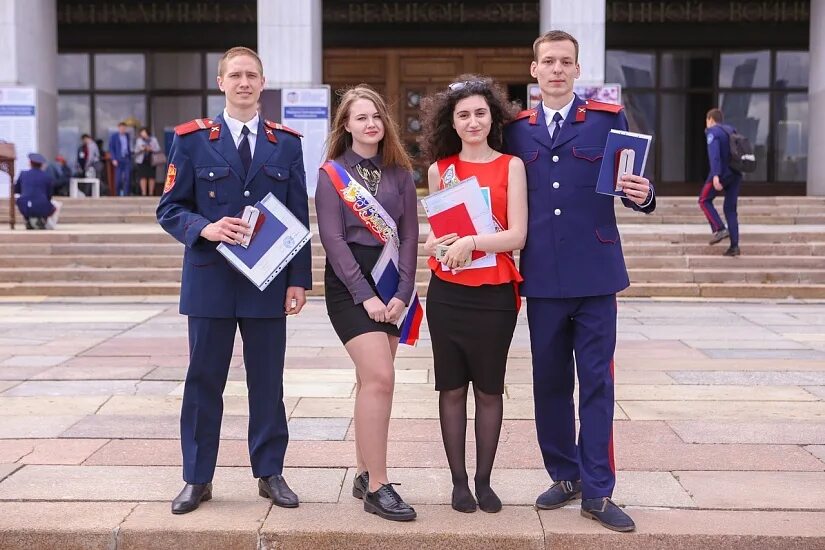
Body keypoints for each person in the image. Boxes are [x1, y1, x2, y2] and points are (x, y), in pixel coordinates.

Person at [502, 30, 656, 533]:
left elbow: (630, 187)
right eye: (548, 62)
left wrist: (644, 194)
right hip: (541, 275)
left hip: (595, 275)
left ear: (576, 69)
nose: (556, 70)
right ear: (534, 71)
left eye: (565, 62)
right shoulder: (515, 131)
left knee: (597, 384)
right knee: (549, 384)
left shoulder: (607, 121)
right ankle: (563, 474)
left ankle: (598, 489)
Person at [156, 46, 311, 515]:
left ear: (263, 83)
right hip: (210, 282)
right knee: (204, 382)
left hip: (267, 282)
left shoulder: (285, 142)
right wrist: (206, 227)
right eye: (235, 75)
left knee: (268, 383)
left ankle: (270, 473)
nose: (244, 82)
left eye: (252, 75)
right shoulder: (192, 140)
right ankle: (197, 479)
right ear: (221, 83)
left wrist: (297, 280)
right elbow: (169, 208)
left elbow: (298, 216)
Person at [418, 76, 527, 514]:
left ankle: (484, 481)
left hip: (495, 293)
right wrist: (435, 243)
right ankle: (458, 482)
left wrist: (474, 243)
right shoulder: (439, 170)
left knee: (488, 389)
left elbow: (518, 234)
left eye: (480, 112)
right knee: (450, 388)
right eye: (463, 114)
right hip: (448, 294)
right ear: (452, 121)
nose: (473, 121)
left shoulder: (511, 166)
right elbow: (440, 230)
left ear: (493, 117)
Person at [315, 85, 418, 522]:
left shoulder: (400, 173)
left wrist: (401, 293)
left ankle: (362, 473)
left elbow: (411, 233)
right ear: (346, 125)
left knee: (370, 382)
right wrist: (367, 298)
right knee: (381, 377)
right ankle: (379, 486)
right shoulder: (331, 173)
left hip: (391, 277)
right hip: (349, 283)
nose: (370, 124)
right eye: (360, 118)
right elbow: (333, 241)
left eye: (376, 116)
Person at [699, 108, 742, 257]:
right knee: (730, 209)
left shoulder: (713, 132)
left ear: (710, 119)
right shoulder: (731, 130)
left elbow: (715, 155)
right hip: (736, 173)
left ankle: (719, 228)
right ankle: (735, 246)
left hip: (721, 173)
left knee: (704, 200)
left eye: (706, 120)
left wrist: (716, 175)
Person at [15, 153, 56, 229]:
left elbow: (16, 190)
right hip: (43, 207)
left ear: (30, 163)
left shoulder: (23, 174)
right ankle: (44, 221)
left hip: (25, 207)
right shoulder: (47, 176)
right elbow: (49, 195)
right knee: (55, 205)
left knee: (20, 200)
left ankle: (27, 220)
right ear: (41, 165)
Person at [134, 127, 161, 196]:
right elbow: (136, 149)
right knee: (143, 176)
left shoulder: (153, 139)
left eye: (144, 132)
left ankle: (151, 192)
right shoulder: (139, 140)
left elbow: (158, 148)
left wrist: (151, 149)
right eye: (141, 132)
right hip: (142, 161)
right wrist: (144, 148)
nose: (142, 134)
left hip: (151, 160)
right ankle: (144, 192)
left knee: (151, 177)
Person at [108, 122, 132, 196]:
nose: (122, 129)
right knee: (118, 179)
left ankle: (126, 194)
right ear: (118, 128)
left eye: (124, 128)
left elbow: (129, 147)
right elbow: (111, 148)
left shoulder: (127, 136)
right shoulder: (114, 136)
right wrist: (113, 159)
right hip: (118, 159)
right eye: (121, 128)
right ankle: (117, 194)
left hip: (126, 159)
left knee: (127, 178)